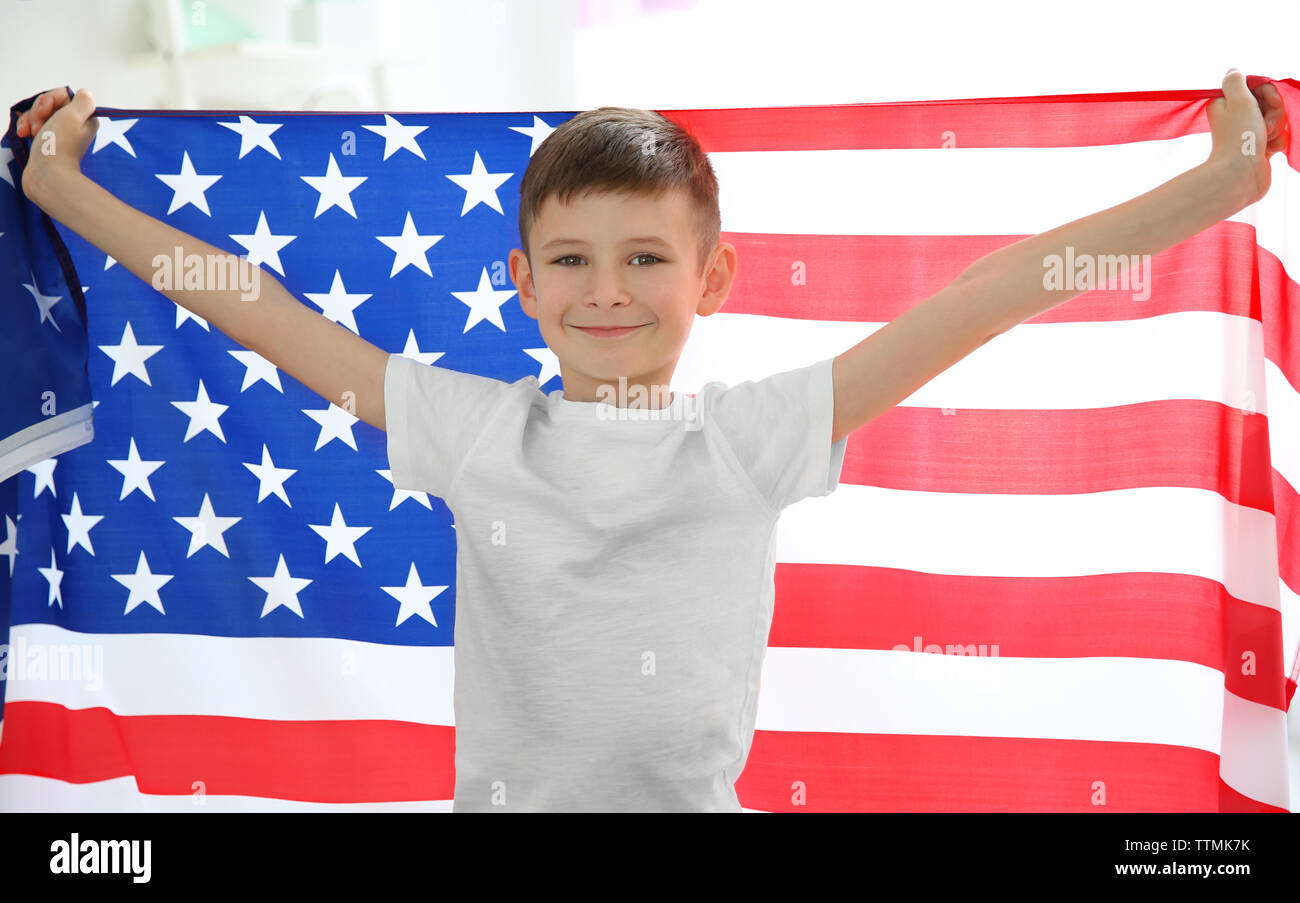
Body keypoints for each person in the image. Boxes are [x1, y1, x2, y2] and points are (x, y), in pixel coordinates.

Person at [16, 72, 1288, 812]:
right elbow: (255, 308)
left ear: (711, 278)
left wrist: (1226, 177)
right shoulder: (472, 430)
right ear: (523, 281)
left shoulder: (747, 439)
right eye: (571, 260)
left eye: (644, 259)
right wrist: (60, 186)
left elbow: (985, 296)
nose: (607, 291)